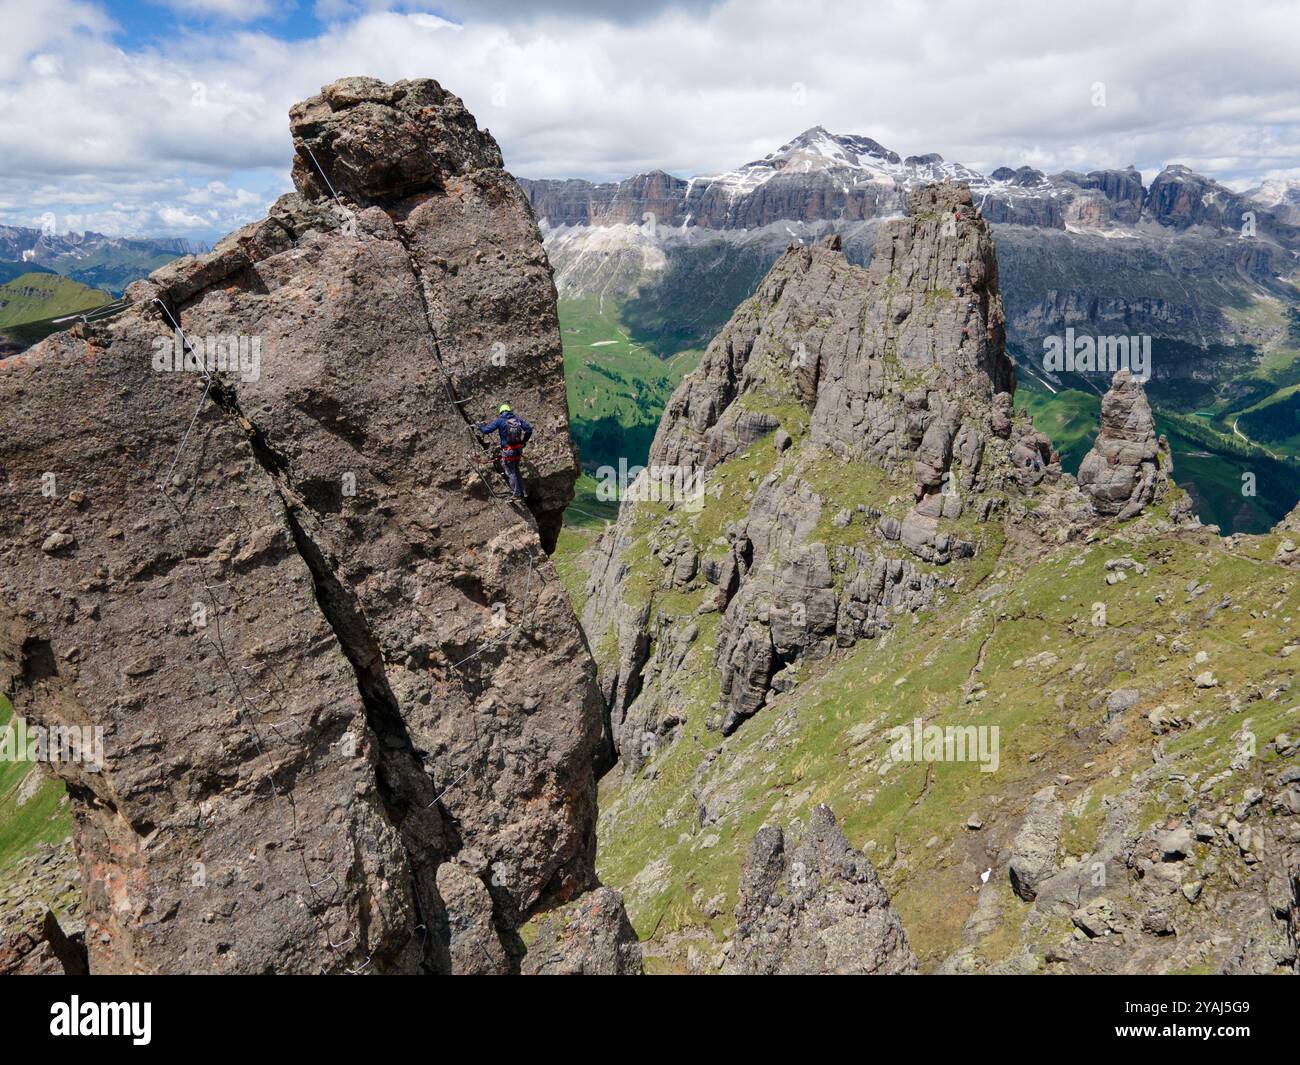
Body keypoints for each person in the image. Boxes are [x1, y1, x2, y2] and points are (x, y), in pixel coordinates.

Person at [476, 403, 532, 498]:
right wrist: (523, 442)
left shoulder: (500, 421)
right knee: (516, 470)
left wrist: (480, 425)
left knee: (510, 472)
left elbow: (486, 430)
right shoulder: (517, 419)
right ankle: (522, 491)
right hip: (518, 450)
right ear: (509, 410)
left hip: (508, 451)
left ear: (501, 412)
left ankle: (517, 494)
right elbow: (529, 430)